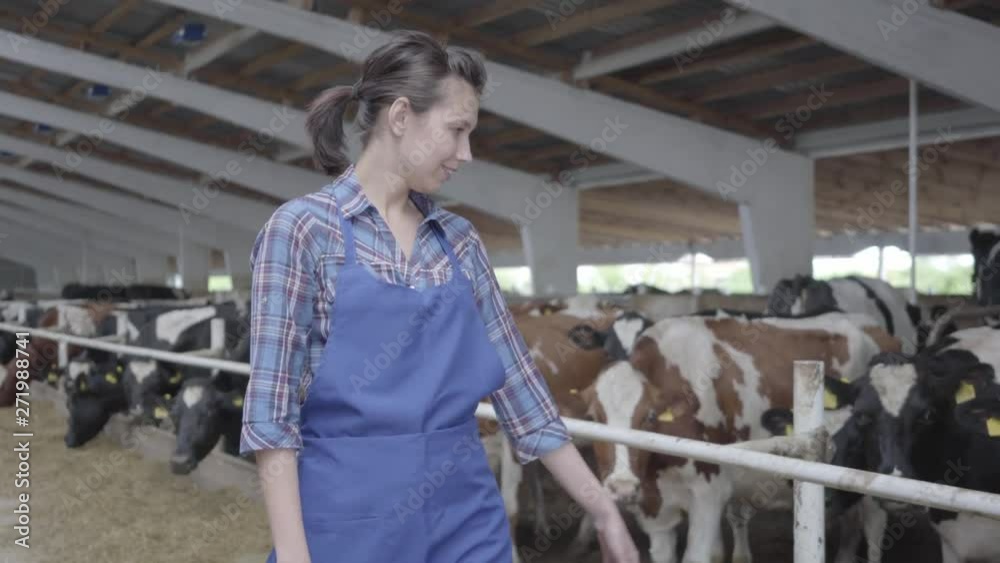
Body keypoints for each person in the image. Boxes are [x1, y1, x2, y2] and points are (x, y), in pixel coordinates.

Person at [240, 30, 639, 563]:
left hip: (466, 519)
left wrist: (604, 510)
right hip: (346, 521)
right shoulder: (302, 232)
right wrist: (293, 553)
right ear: (401, 117)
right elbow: (272, 413)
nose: (466, 153)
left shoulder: (458, 242)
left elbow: (522, 394)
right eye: (457, 130)